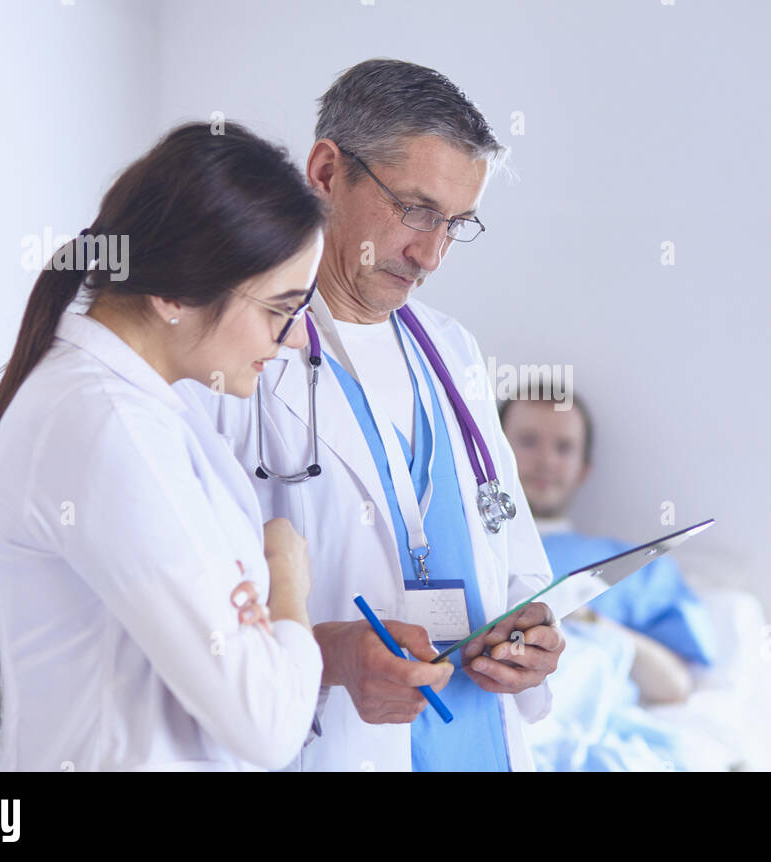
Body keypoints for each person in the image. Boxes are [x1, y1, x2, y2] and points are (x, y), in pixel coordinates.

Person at [179, 59, 562, 771]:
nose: (432, 254)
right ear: (325, 173)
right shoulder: (229, 357)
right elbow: (192, 626)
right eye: (416, 210)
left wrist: (535, 631)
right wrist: (332, 660)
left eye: (456, 224)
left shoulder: (453, 351)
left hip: (483, 744)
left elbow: (516, 564)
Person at [0, 122, 326, 771]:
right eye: (281, 308)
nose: (298, 340)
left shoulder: (132, 409)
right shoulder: (109, 429)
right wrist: (288, 583)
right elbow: (268, 723)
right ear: (174, 294)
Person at [500, 388, 717, 705]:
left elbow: (674, 686)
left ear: (584, 469)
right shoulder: (462, 554)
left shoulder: (636, 566)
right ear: (496, 451)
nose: (545, 460)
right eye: (529, 441)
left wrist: (584, 618)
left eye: (564, 448)